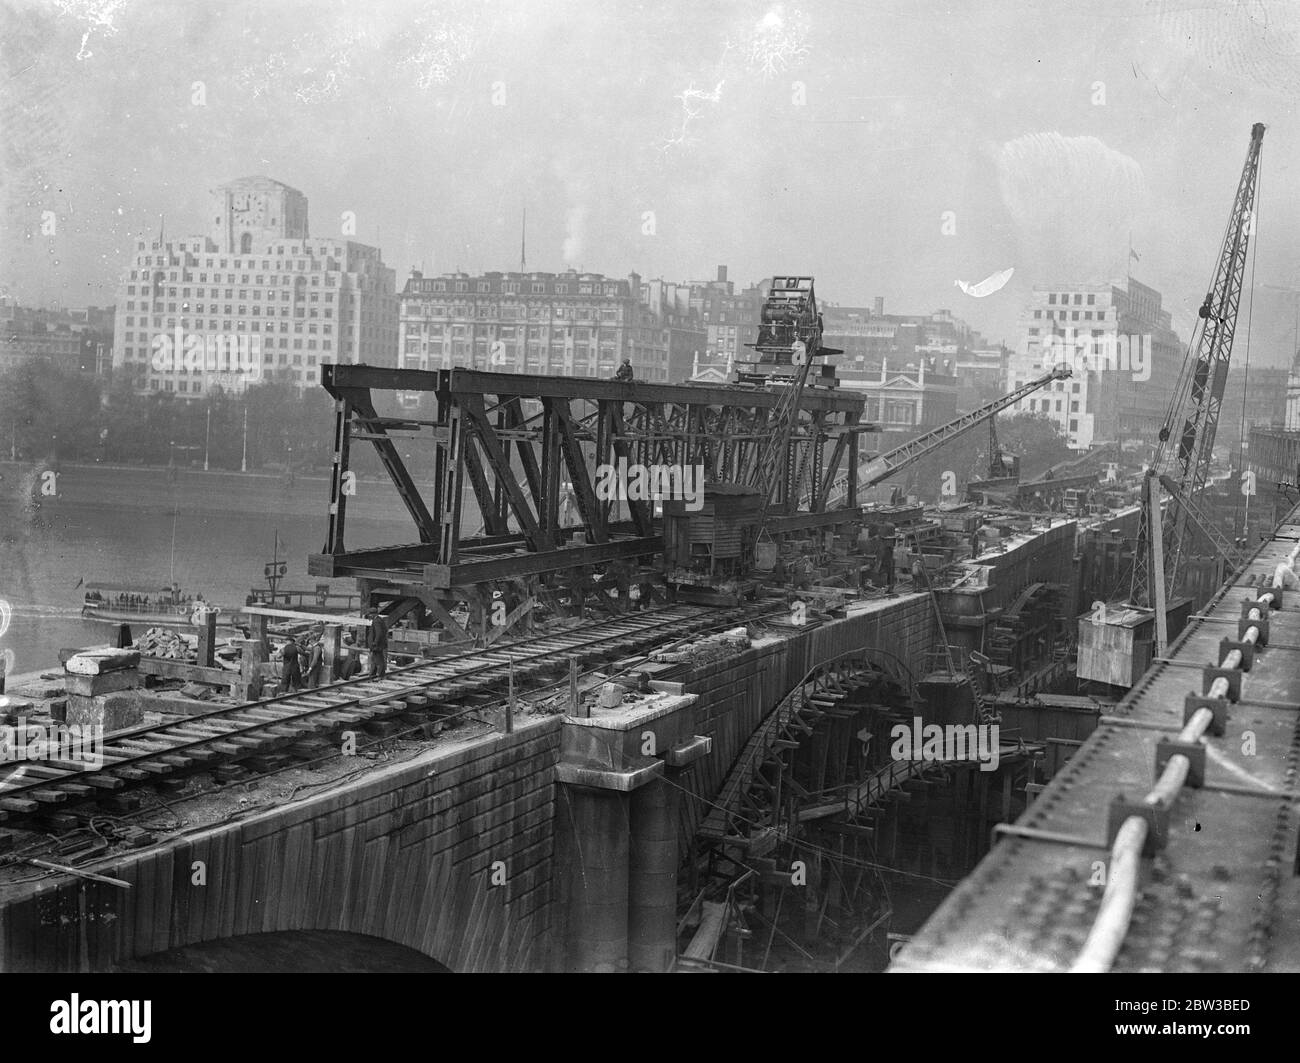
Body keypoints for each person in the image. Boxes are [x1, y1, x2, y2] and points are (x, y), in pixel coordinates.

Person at [365, 610, 389, 678]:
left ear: (373, 614)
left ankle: (380, 675)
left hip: (377, 645)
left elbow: (379, 633)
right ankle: (372, 674)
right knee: (375, 659)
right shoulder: (379, 620)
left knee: (379, 660)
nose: (369, 616)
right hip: (379, 644)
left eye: (370, 615)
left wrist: (375, 642)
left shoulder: (376, 621)